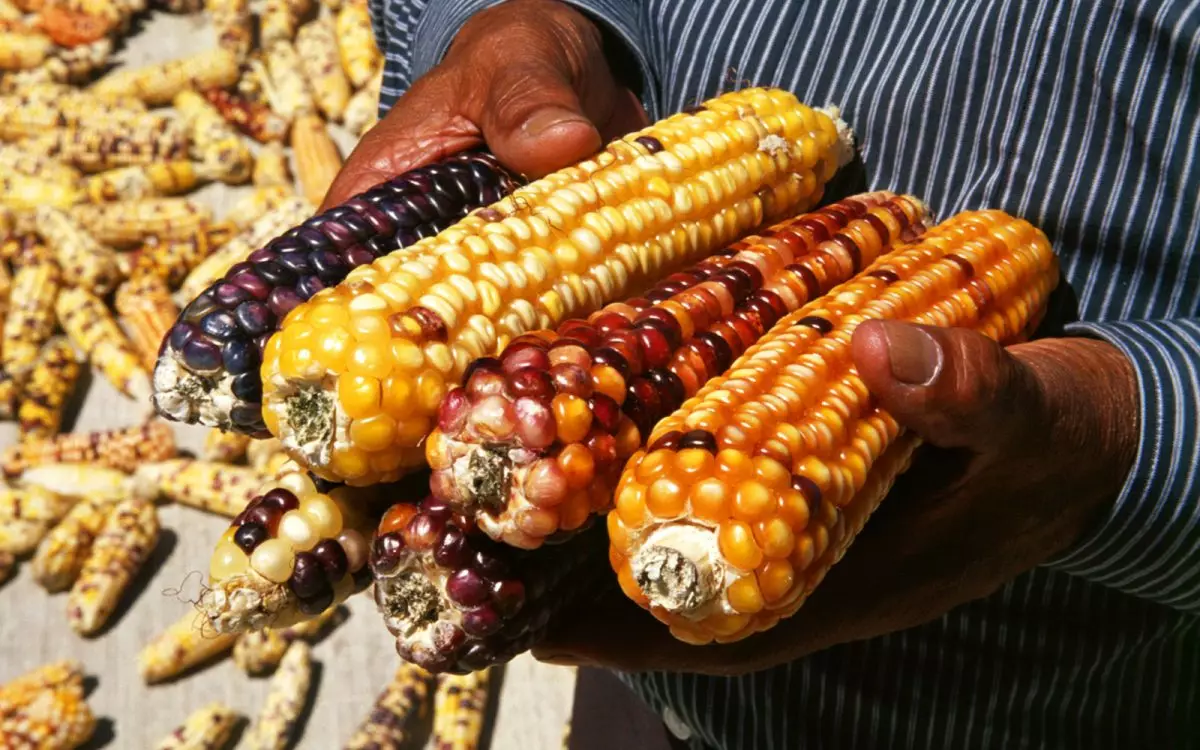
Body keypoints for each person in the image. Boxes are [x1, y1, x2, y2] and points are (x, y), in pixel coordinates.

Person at [324, 1, 1200, 747]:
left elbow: (1137, 432)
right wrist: (511, 13)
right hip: (626, 631)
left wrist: (1125, 433)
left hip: (1004, 704)